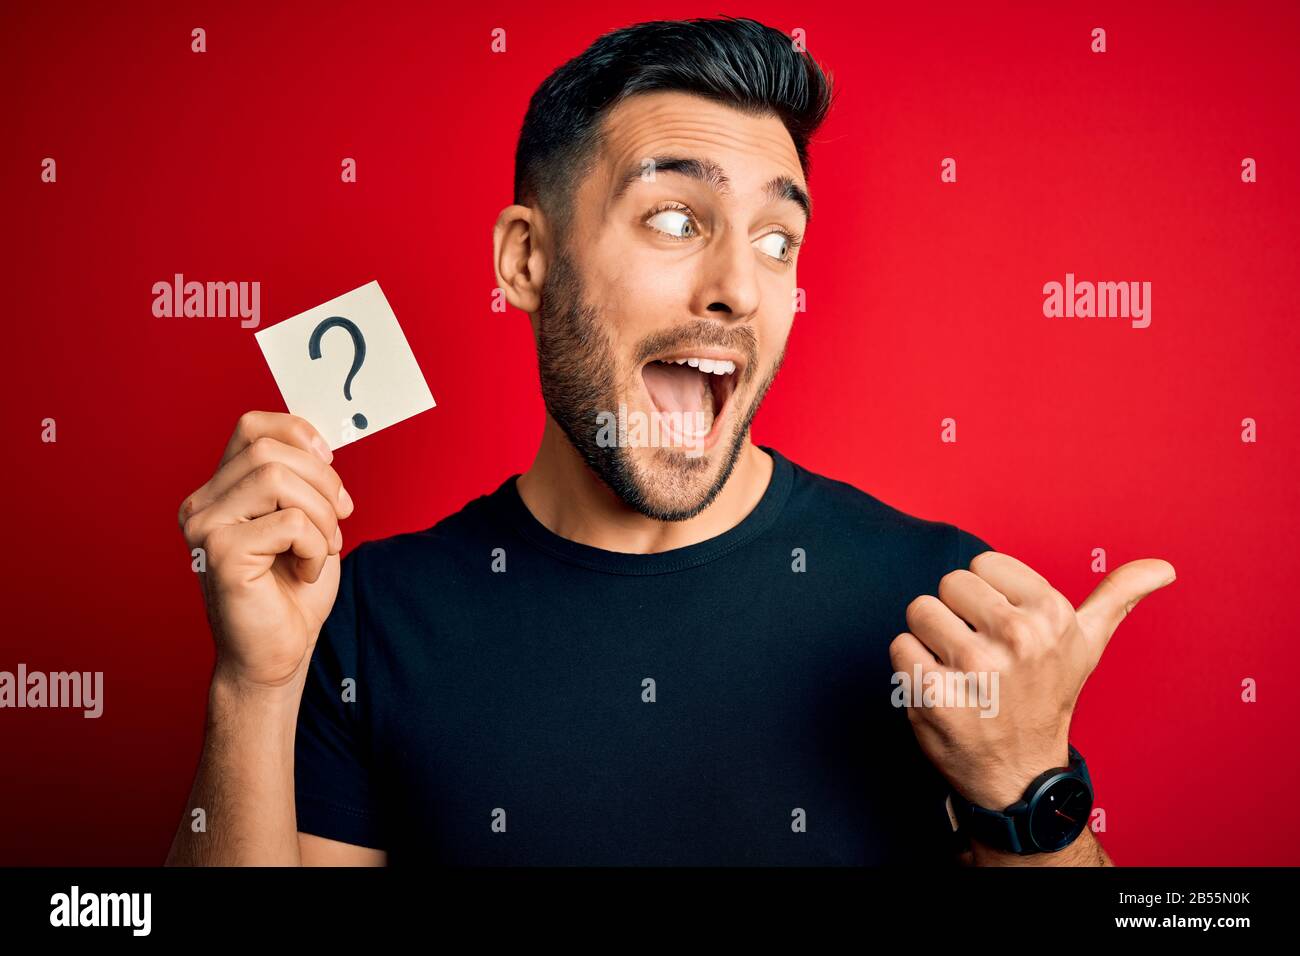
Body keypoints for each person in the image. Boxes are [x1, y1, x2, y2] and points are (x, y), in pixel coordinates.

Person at [166, 16, 1173, 866]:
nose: (738, 284)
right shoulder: (362, 619)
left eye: (778, 239)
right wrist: (251, 685)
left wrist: (1028, 785)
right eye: (675, 217)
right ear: (525, 259)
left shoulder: (940, 609)